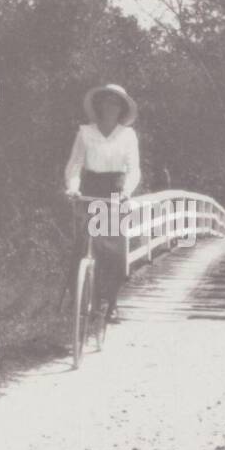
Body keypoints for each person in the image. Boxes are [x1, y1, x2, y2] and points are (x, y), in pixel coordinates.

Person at [64, 83, 140, 322]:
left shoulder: (127, 135)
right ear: (99, 105)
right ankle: (87, 299)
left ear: (122, 109)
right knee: (87, 243)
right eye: (107, 101)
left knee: (114, 249)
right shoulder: (85, 132)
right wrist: (74, 188)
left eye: (116, 103)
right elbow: (75, 165)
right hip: (92, 187)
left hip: (115, 190)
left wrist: (127, 191)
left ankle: (112, 303)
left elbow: (133, 169)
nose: (111, 107)